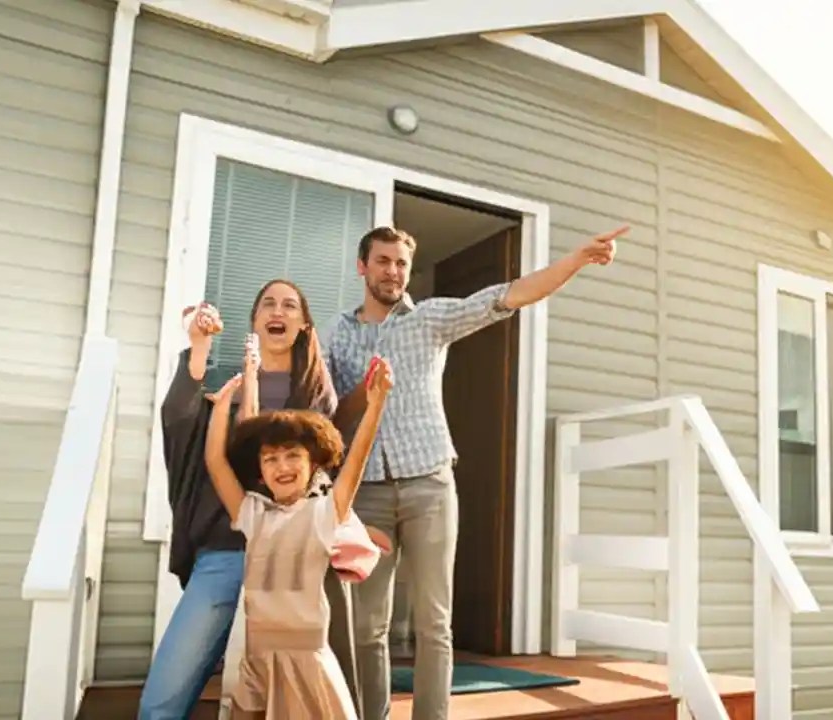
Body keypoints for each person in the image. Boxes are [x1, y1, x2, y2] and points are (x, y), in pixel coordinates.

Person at [322, 223, 626, 720]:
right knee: (365, 627)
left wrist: (576, 260)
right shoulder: (337, 336)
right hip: (367, 492)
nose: (393, 271)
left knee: (434, 622)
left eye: (400, 263)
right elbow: (328, 417)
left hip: (429, 485)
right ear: (363, 267)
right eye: (383, 261)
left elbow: (510, 295)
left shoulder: (431, 319)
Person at [139, 280, 361, 718]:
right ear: (256, 320)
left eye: (290, 305)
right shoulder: (228, 387)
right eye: (268, 304)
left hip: (290, 565)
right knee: (161, 700)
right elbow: (177, 419)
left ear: (302, 325)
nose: (278, 311)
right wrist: (199, 347)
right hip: (226, 552)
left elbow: (323, 478)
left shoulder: (316, 396)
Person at [201, 354, 393, 719]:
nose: (282, 466)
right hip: (258, 660)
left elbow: (357, 461)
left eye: (293, 456)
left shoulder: (324, 512)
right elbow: (215, 462)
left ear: (314, 465)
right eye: (270, 459)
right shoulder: (252, 513)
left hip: (307, 661)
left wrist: (376, 403)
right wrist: (223, 405)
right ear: (259, 470)